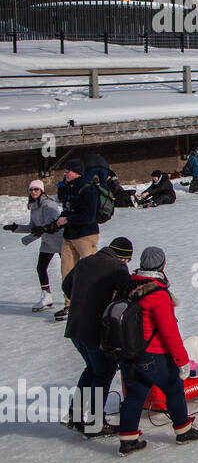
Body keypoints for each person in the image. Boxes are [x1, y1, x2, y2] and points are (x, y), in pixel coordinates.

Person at [115, 246, 198, 455]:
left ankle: (128, 440)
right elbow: (169, 332)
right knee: (174, 388)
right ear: (162, 265)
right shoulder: (157, 294)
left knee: (136, 394)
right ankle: (183, 431)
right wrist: (182, 361)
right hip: (153, 353)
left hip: (131, 352)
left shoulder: (129, 285)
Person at [61, 235, 133, 433]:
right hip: (95, 331)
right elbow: (127, 297)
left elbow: (66, 287)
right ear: (124, 258)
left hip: (74, 328)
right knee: (104, 371)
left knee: (92, 370)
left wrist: (82, 298)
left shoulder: (86, 261)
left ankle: (75, 417)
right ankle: (94, 423)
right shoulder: (118, 268)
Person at [3, 179, 62, 311]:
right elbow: (33, 227)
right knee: (41, 268)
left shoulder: (48, 205)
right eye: (31, 189)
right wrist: (16, 227)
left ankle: (75, 297)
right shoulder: (35, 206)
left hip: (59, 240)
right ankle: (46, 297)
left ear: (42, 190)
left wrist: (27, 239)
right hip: (47, 242)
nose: (33, 192)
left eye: (36, 189)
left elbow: (50, 227)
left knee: (67, 270)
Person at [53, 159, 101, 321]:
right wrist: (60, 220)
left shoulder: (88, 188)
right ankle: (69, 304)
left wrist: (68, 220)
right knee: (66, 272)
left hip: (86, 235)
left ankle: (96, 303)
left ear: (76, 172)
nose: (65, 173)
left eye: (68, 171)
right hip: (69, 236)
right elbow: (68, 209)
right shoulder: (68, 187)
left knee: (91, 270)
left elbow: (89, 215)